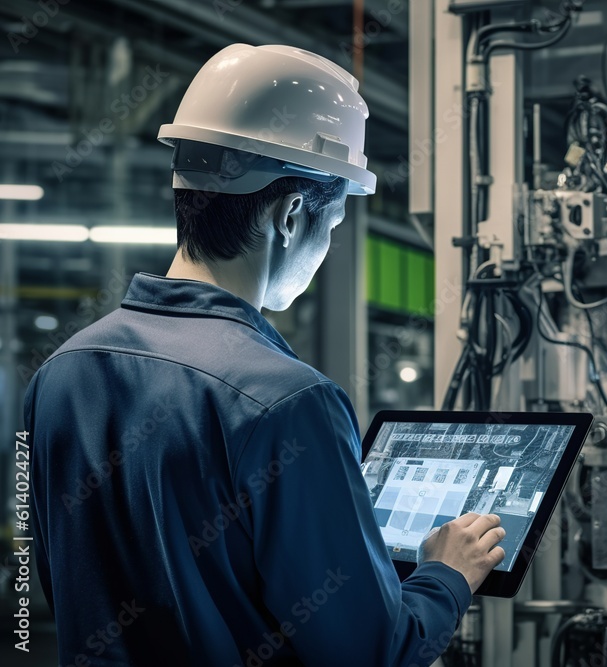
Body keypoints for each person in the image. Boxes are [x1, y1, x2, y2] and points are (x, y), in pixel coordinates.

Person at [24, 44, 504, 667]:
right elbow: (367, 652)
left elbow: (51, 581)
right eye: (332, 227)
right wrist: (447, 574)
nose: (326, 245)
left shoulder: (60, 373)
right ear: (292, 212)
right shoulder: (287, 401)